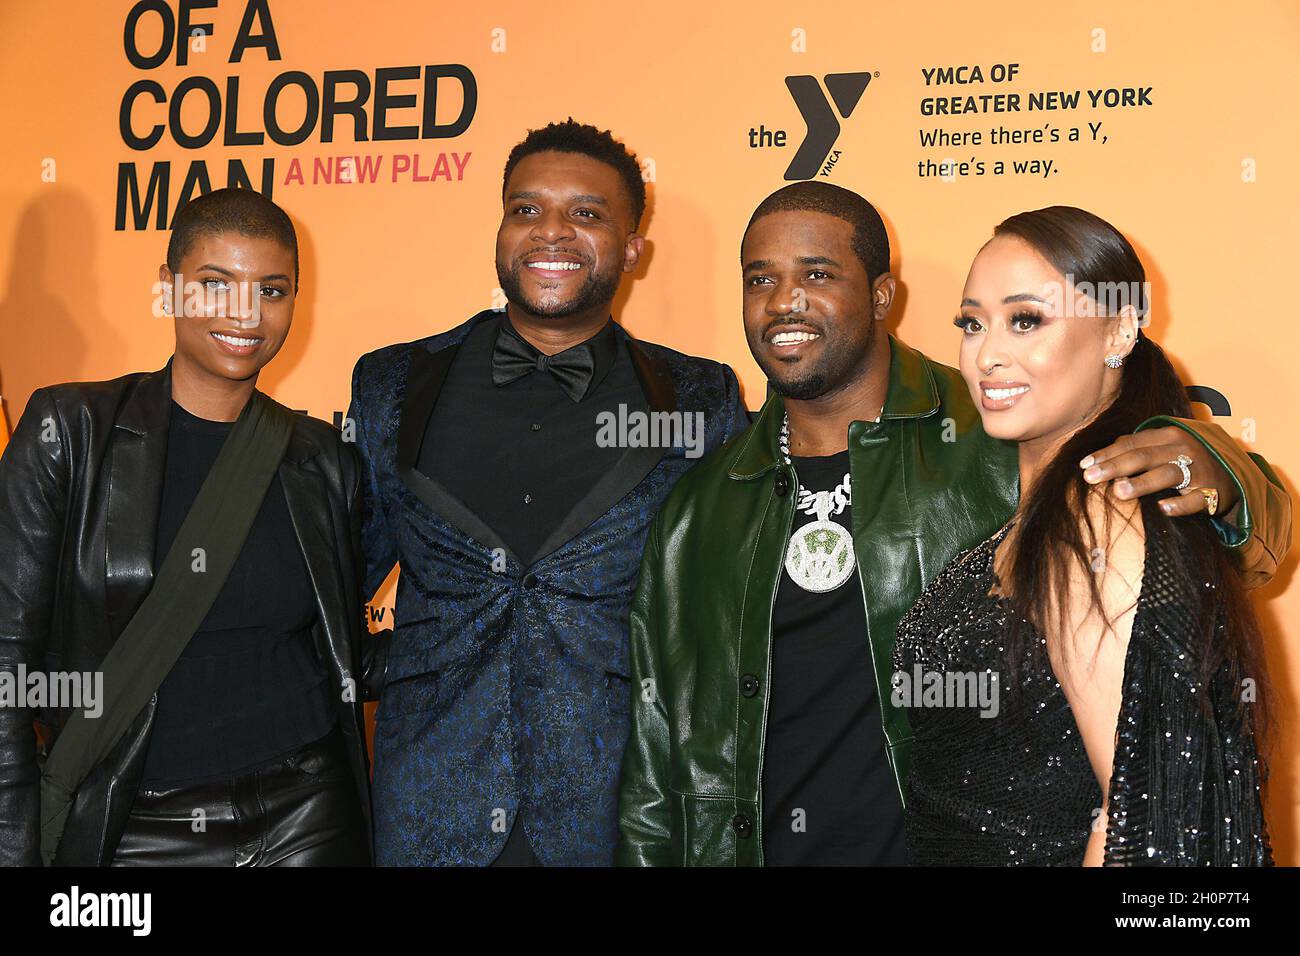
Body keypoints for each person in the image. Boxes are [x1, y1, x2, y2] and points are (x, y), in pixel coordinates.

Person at [615, 182, 1289, 866]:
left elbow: (1240, 551)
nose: (786, 300)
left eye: (817, 274)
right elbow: (655, 749)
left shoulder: (997, 434)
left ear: (882, 296)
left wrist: (1219, 469)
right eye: (761, 279)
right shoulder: (699, 504)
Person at [348, 120, 750, 866]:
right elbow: (339, 572)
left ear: (633, 248)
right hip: (427, 812)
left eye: (586, 213)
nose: (550, 232)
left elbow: (725, 607)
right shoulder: (393, 384)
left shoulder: (698, 395)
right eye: (525, 209)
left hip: (619, 811)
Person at [0, 187, 382, 866]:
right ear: (168, 287)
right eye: (215, 283)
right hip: (135, 822)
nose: (246, 313)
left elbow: (346, 643)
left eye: (272, 289)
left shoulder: (321, 459)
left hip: (308, 815)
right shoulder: (72, 431)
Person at [893, 206, 1273, 865]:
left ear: (1120, 329)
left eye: (1026, 320)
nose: (987, 354)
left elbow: (1132, 818)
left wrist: (1222, 468)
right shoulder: (1035, 499)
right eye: (972, 323)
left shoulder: (1099, 508)